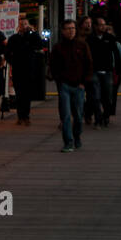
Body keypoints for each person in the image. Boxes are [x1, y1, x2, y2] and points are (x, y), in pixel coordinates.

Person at [48, 18, 93, 153]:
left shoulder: (82, 45)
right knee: (66, 115)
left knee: (79, 116)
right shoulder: (58, 47)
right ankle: (68, 142)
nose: (71, 31)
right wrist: (58, 80)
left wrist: (84, 83)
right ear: (63, 31)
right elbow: (53, 66)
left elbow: (89, 64)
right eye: (68, 28)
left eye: (73, 28)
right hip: (64, 86)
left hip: (79, 86)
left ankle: (77, 136)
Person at [5, 17, 45, 125]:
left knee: (27, 94)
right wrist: (12, 62)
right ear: (19, 26)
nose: (24, 26)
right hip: (18, 69)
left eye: (26, 24)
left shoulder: (32, 37)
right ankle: (20, 116)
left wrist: (33, 33)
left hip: (29, 69)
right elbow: (7, 52)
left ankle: (25, 116)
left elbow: (40, 45)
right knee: (19, 94)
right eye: (22, 24)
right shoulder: (14, 38)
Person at [87, 16, 117, 127]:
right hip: (94, 71)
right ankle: (98, 118)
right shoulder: (90, 39)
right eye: (100, 24)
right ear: (95, 26)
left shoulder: (110, 38)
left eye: (104, 24)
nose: (103, 26)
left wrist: (118, 70)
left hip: (107, 71)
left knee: (108, 96)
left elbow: (116, 54)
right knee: (95, 96)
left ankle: (106, 116)